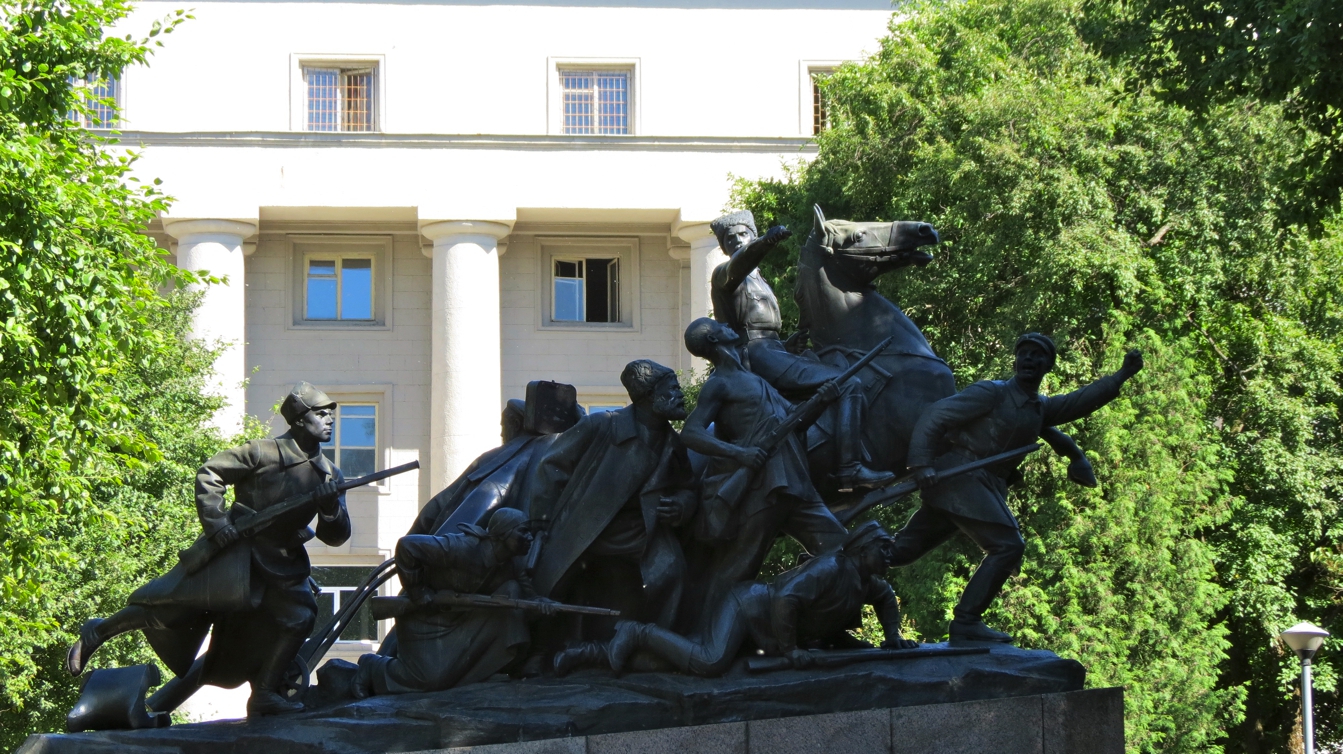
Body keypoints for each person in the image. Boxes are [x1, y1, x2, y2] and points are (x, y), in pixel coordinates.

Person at [66, 382, 350, 716]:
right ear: (300, 420)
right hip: (236, 552)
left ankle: (265, 694)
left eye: (331, 413)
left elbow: (337, 535)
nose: (330, 419)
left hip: (282, 564)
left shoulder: (329, 473)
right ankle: (98, 630)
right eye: (321, 413)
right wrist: (218, 525)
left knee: (299, 618)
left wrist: (330, 507)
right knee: (170, 610)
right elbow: (210, 473)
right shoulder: (262, 452)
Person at [897, 334, 1144, 642]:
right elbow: (935, 415)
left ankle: (843, 564)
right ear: (1014, 361)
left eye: (1037, 356)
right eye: (1023, 353)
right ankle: (966, 621)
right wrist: (921, 464)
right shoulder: (991, 393)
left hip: (979, 486)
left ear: (1049, 366)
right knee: (1008, 546)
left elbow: (1077, 403)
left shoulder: (1038, 408)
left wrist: (1121, 375)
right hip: (960, 476)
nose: (1029, 359)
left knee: (902, 550)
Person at [552, 521, 916, 677]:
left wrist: (893, 635)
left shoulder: (866, 581)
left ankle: (585, 654)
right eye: (883, 549)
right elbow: (785, 600)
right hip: (750, 608)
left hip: (765, 631)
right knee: (709, 662)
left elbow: (886, 601)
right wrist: (790, 650)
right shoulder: (831, 568)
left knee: (672, 662)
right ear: (862, 548)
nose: (889, 556)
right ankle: (637, 631)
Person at [709, 209, 893, 492]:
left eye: (743, 235)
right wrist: (765, 243)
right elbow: (739, 267)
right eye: (729, 239)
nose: (736, 242)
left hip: (774, 351)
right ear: (724, 248)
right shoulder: (724, 275)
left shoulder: (761, 281)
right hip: (756, 355)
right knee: (848, 384)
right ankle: (849, 469)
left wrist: (785, 346)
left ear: (751, 234)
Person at [679, 317, 848, 615]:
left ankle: (812, 622)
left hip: (793, 479)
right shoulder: (719, 384)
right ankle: (705, 637)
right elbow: (691, 432)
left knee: (837, 545)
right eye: (719, 326)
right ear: (714, 341)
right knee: (737, 569)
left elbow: (794, 424)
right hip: (761, 487)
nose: (727, 325)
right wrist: (739, 453)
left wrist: (821, 402)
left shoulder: (754, 379)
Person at [528, 360, 697, 639]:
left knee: (672, 572)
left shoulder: (673, 444)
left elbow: (688, 487)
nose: (679, 395)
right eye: (672, 389)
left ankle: (659, 647)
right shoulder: (602, 425)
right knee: (551, 585)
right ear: (649, 396)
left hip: (642, 530)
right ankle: (536, 650)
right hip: (586, 527)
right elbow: (551, 465)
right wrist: (540, 521)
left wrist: (682, 505)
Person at [352, 508, 552, 696]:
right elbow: (407, 546)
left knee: (511, 591)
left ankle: (489, 669)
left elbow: (528, 599)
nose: (529, 537)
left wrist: (542, 604)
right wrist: (419, 592)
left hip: (464, 619)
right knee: (429, 681)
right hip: (425, 618)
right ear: (503, 533)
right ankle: (373, 666)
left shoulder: (513, 562)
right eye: (523, 531)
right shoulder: (461, 547)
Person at [408, 380, 584, 536]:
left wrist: (419, 539)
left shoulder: (504, 456)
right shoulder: (564, 447)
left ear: (515, 424)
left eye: (503, 425)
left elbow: (445, 502)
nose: (501, 433)